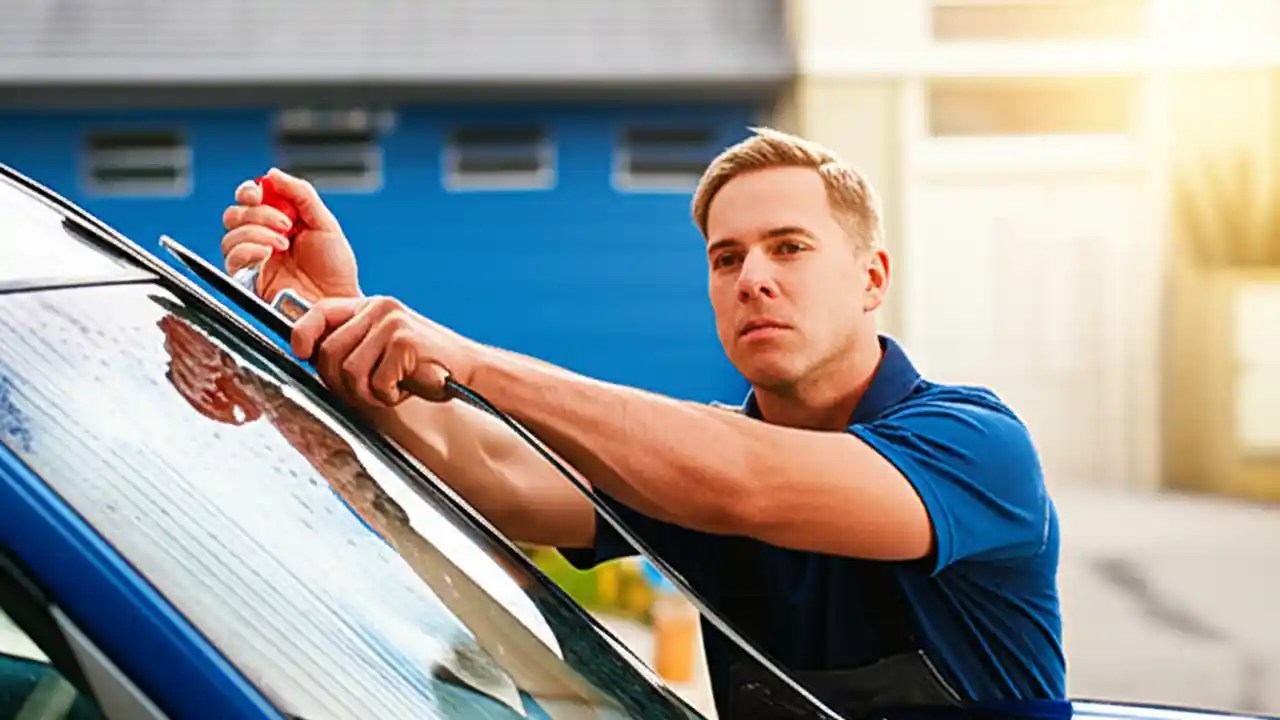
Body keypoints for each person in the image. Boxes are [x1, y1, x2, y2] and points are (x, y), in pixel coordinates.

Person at [219, 127, 1066, 718]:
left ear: (871, 277)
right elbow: (501, 475)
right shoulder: (682, 465)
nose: (752, 279)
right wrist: (340, 318)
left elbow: (751, 483)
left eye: (790, 247)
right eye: (726, 258)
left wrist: (471, 359)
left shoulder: (974, 446)